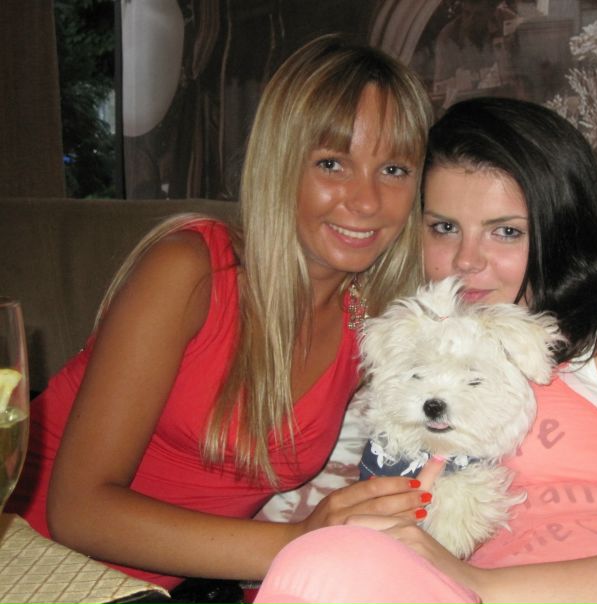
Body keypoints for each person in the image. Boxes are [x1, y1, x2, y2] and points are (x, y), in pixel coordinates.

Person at [253, 97, 597, 603]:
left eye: (505, 231)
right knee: (325, 561)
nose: (466, 260)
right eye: (444, 228)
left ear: (562, 230)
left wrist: (481, 587)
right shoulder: (423, 351)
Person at [7, 34, 434, 591]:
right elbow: (77, 512)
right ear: (280, 166)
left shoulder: (372, 322)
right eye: (332, 164)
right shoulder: (192, 271)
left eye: (394, 170)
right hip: (36, 569)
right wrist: (300, 540)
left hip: (172, 589)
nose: (367, 200)